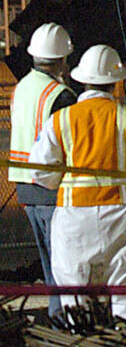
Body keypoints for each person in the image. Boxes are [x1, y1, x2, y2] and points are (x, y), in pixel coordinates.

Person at [28, 43, 126, 322]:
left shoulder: (61, 119)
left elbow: (39, 171)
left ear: (81, 80)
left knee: (74, 293)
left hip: (74, 218)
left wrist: (62, 179)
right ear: (116, 83)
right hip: (122, 216)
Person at [8, 23, 76, 322]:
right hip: (51, 186)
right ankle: (66, 324)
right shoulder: (59, 95)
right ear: (62, 59)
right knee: (65, 264)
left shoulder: (21, 87)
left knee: (50, 264)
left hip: (25, 185)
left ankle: (57, 317)